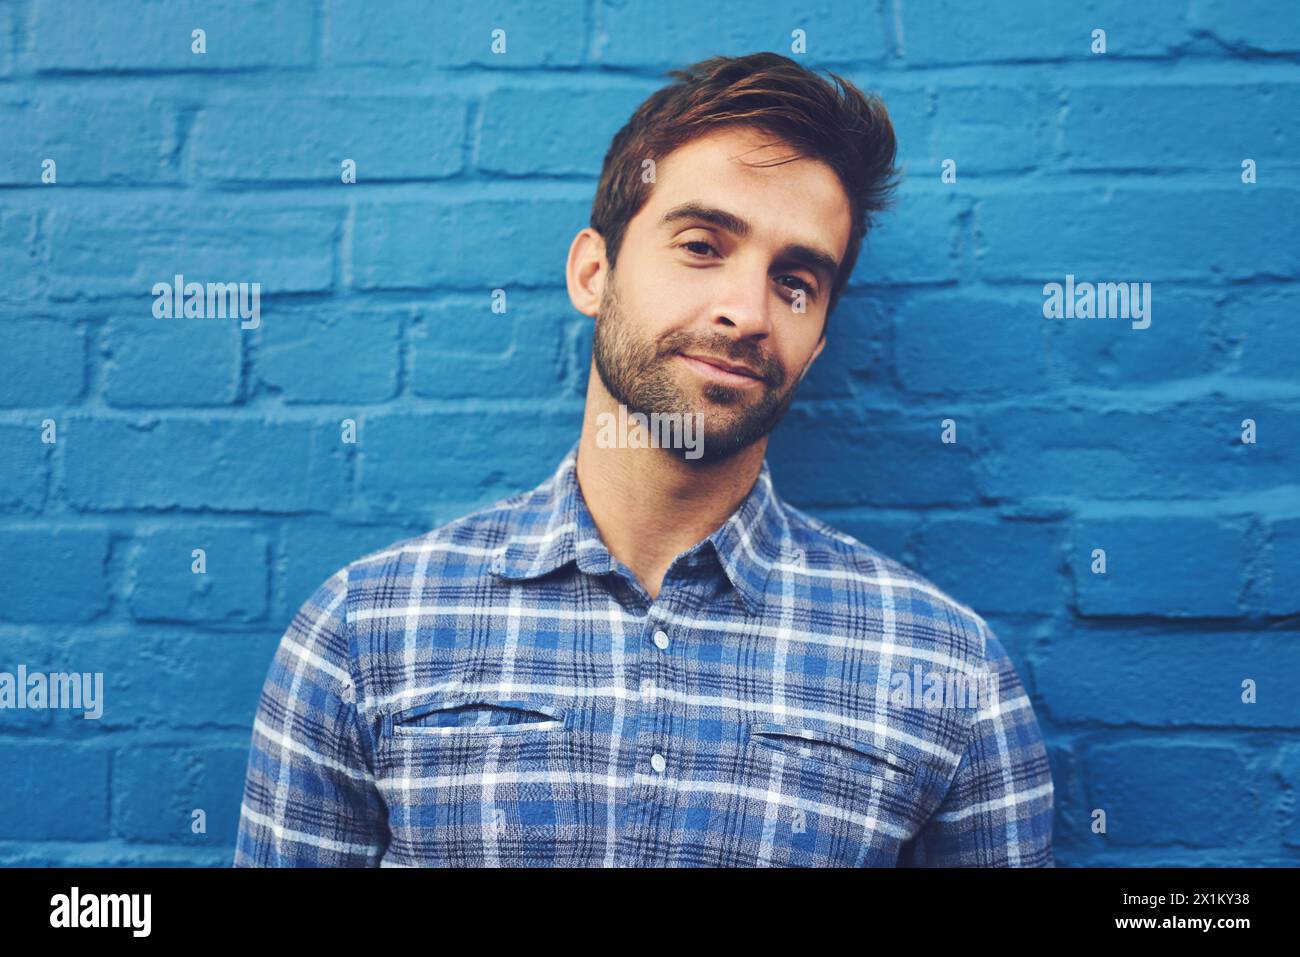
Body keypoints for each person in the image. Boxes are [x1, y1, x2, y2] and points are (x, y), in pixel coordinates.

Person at [234, 51, 1054, 867]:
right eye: (701, 245)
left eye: (796, 280)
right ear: (595, 272)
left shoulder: (946, 671)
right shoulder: (365, 634)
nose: (746, 311)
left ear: (817, 345)